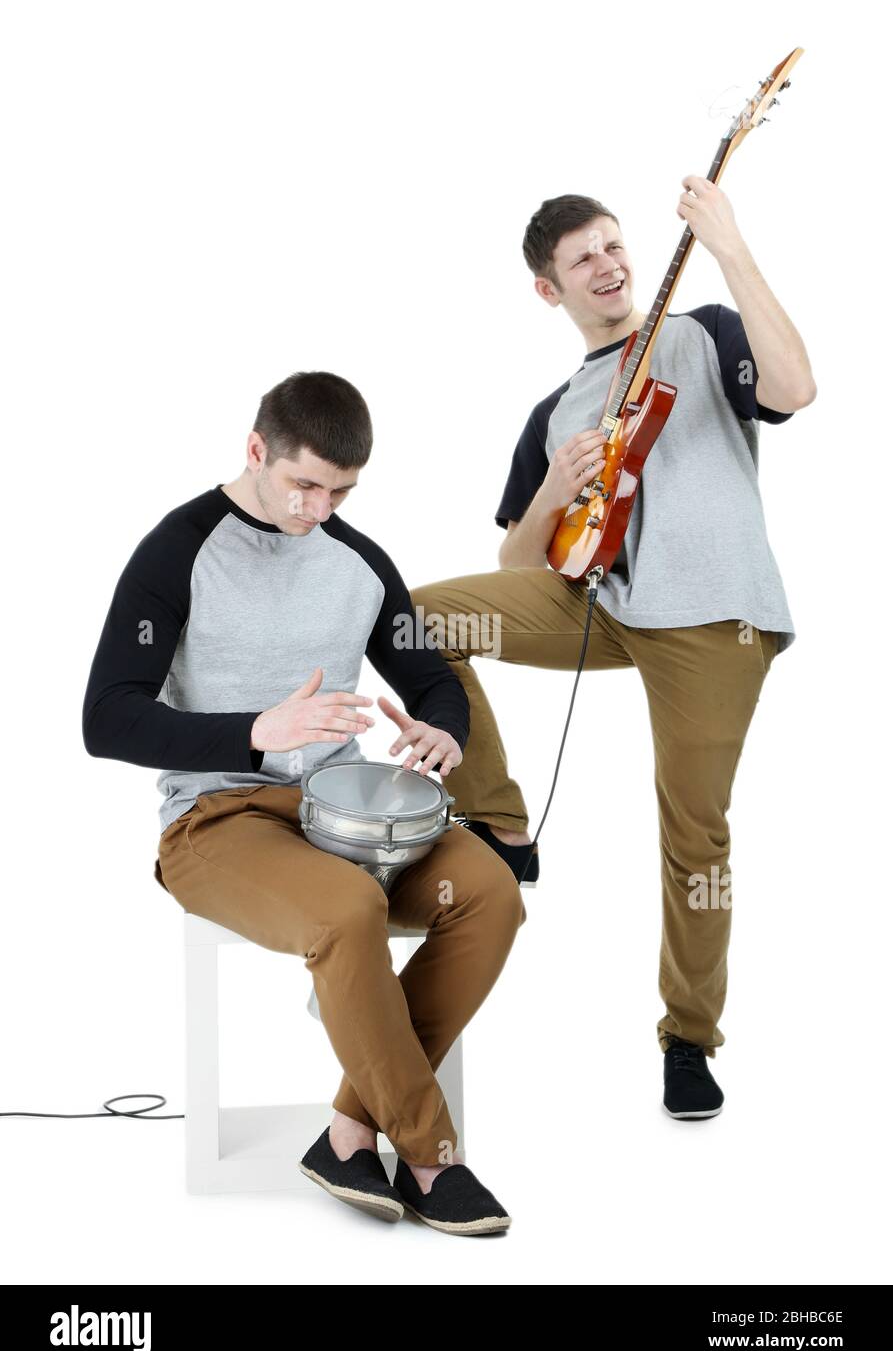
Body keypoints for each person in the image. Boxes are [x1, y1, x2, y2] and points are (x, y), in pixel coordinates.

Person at [82, 370, 524, 1235]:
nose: (320, 507)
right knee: (349, 908)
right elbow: (106, 718)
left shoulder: (357, 562)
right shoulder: (177, 551)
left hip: (344, 810)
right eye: (305, 485)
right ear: (257, 451)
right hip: (216, 821)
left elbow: (431, 677)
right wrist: (256, 730)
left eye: (341, 491)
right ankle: (434, 1157)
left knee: (492, 896)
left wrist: (443, 731)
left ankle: (350, 1129)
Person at [409, 182, 816, 1119]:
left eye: (611, 245)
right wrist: (554, 487)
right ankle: (502, 821)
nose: (606, 265)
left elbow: (795, 388)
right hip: (600, 608)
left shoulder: (703, 334)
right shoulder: (553, 413)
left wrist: (728, 245)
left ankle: (687, 1039)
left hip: (715, 619)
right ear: (549, 291)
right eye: (580, 259)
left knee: (694, 834)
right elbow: (520, 560)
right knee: (415, 621)